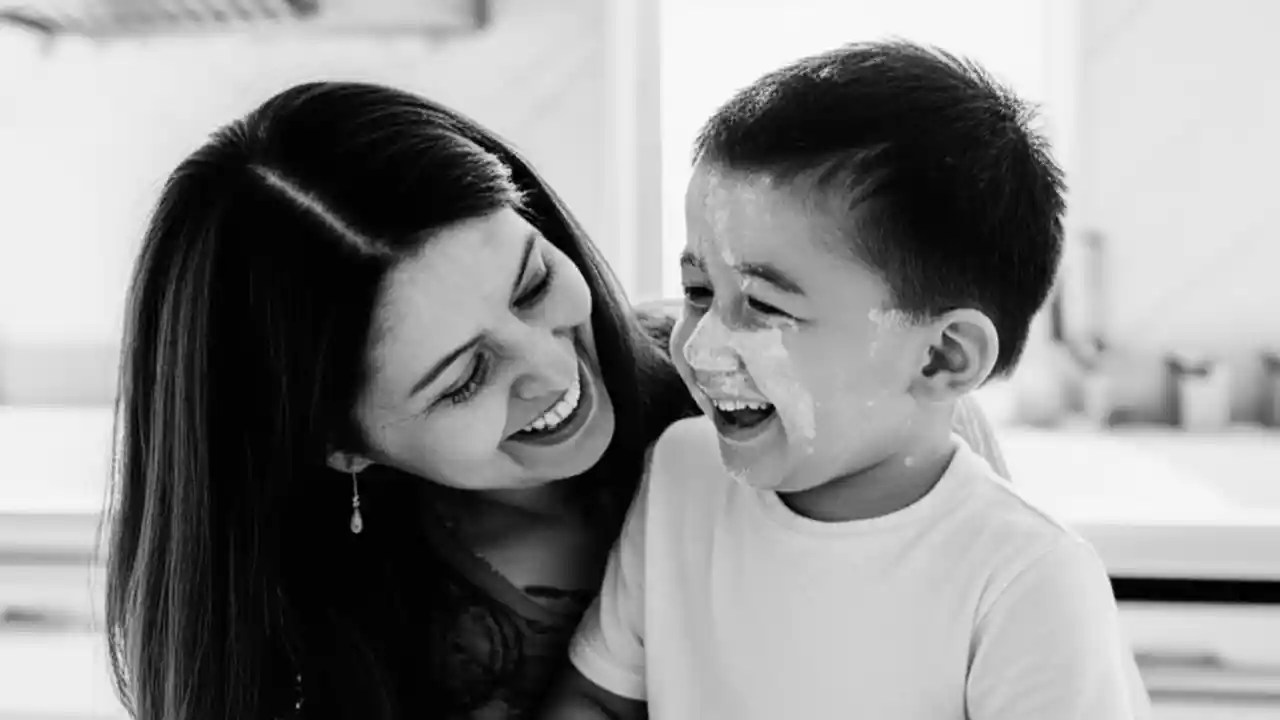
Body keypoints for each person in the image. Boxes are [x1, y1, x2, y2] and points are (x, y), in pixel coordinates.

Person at [104, 80, 1012, 720]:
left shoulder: (852, 421)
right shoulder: (296, 625)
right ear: (339, 445)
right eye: (463, 377)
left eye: (534, 283)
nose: (551, 370)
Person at [545, 41, 1150, 719]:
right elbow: (596, 699)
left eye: (766, 307)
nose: (700, 346)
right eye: (696, 290)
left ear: (941, 358)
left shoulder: (1025, 579)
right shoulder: (683, 476)